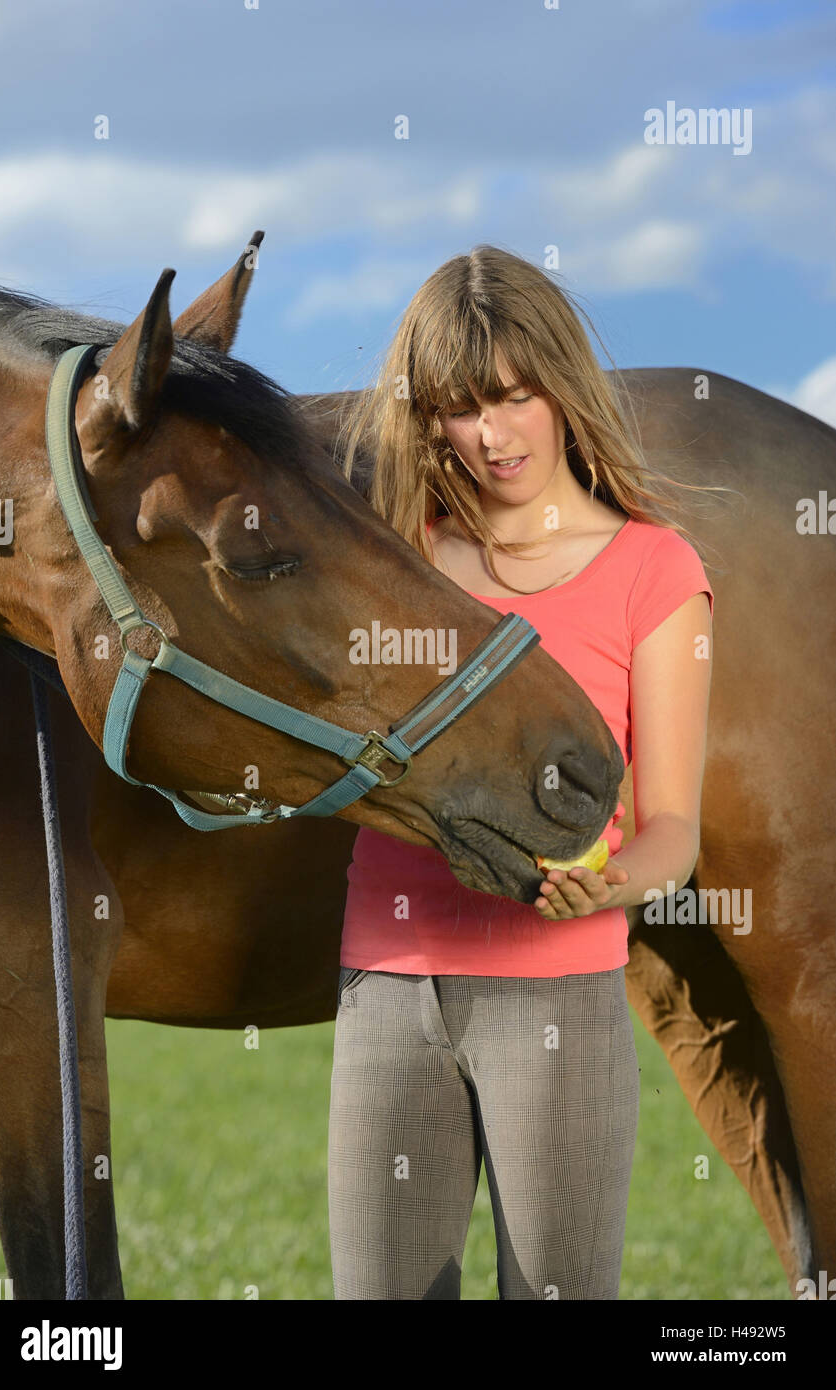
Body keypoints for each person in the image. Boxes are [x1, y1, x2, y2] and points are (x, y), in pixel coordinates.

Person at [327, 245, 716, 1300]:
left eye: (512, 396)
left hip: (558, 994)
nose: (491, 436)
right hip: (385, 987)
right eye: (460, 407)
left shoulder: (656, 571)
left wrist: (617, 879)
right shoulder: (401, 557)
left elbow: (674, 827)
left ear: (562, 383)